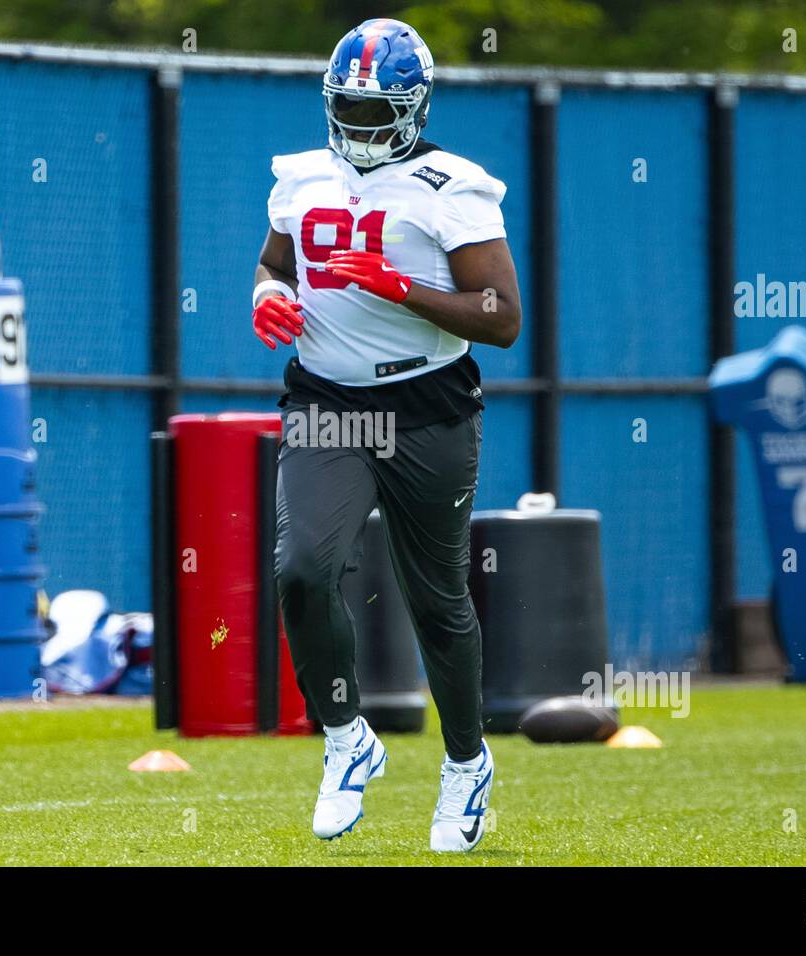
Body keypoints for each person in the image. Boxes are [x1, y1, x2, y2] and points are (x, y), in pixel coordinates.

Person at [250, 17, 521, 852]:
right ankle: (345, 738)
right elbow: (275, 265)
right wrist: (266, 296)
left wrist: (401, 287)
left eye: (379, 112)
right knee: (302, 570)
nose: (361, 127)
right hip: (327, 401)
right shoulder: (302, 177)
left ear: (416, 108)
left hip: (427, 406)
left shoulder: (453, 187)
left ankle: (466, 763)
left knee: (435, 600)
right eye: (351, 108)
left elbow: (502, 318)